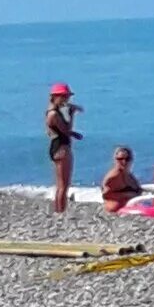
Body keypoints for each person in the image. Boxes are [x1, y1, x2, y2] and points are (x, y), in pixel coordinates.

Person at [45, 83, 83, 214]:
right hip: (61, 147)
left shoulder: (55, 112)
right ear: (55, 97)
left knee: (62, 184)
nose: (66, 100)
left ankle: (60, 209)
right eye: (63, 97)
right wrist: (72, 115)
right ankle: (60, 211)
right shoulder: (53, 114)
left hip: (59, 146)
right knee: (63, 185)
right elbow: (66, 130)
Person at [101, 146, 143, 214]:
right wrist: (127, 194)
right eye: (120, 159)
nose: (124, 162)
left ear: (131, 159)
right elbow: (106, 195)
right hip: (117, 209)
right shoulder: (114, 177)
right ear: (115, 160)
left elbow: (138, 190)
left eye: (127, 159)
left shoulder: (128, 174)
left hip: (131, 206)